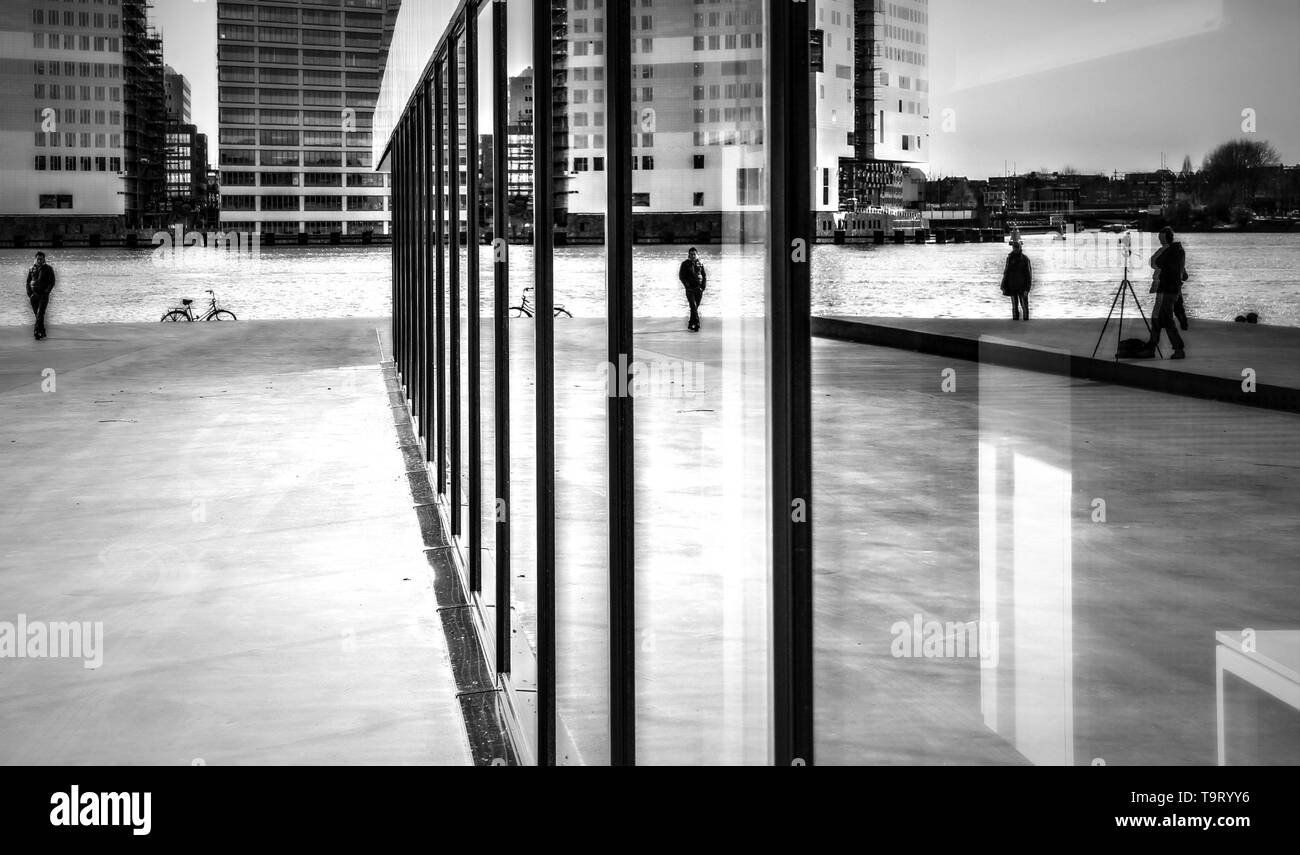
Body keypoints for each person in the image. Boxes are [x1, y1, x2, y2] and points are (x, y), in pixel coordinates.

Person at [1144, 227, 1186, 359]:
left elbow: (1153, 262)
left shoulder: (1166, 251)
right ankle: (1152, 346)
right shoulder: (1179, 251)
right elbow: (1184, 275)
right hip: (1174, 290)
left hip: (1165, 289)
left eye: (1160, 238)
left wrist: (1161, 251)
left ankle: (1177, 349)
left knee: (1163, 319)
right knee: (1158, 318)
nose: (1159, 240)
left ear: (1163, 238)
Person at [25, 251, 56, 340]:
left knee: (40, 314)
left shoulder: (49, 269)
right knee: (37, 315)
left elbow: (52, 282)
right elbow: (27, 282)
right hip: (33, 296)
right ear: (35, 259)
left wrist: (46, 292)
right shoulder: (31, 269)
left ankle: (36, 332)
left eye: (41, 259)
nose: (39, 260)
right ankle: (42, 332)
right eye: (38, 259)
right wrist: (29, 293)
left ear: (44, 260)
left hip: (43, 296)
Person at [999, 238, 1032, 320]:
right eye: (1014, 247)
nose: (1016, 249)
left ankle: (1026, 323)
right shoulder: (1010, 258)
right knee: (1014, 306)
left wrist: (1027, 289)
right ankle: (1015, 324)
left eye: (1017, 247)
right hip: (1012, 286)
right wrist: (1003, 285)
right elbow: (1006, 272)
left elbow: (1029, 275)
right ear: (1012, 248)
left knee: (1024, 306)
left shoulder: (1025, 259)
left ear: (1020, 247)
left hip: (1022, 287)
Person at [678, 246, 707, 332]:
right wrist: (687, 286)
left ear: (697, 255)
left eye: (694, 254)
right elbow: (681, 277)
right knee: (693, 306)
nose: (693, 256)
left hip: (699, 289)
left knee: (695, 308)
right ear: (688, 255)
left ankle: (691, 323)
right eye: (691, 254)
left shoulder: (700, 263)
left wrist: (703, 287)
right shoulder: (685, 264)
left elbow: (704, 276)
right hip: (690, 290)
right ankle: (697, 324)